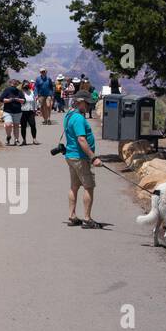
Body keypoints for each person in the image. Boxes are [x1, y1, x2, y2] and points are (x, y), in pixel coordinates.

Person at [63, 91, 102, 228]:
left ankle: (72, 216)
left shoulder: (69, 115)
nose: (88, 106)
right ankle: (87, 219)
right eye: (86, 103)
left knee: (74, 186)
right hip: (81, 158)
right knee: (88, 186)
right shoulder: (79, 119)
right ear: (80, 102)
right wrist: (93, 157)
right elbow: (81, 139)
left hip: (71, 156)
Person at [0, 79, 24, 145]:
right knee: (8, 124)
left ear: (16, 84)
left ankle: (16, 140)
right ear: (10, 84)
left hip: (17, 111)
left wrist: (18, 99)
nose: (13, 85)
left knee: (16, 126)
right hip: (8, 111)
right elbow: (1, 99)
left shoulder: (19, 91)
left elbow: (24, 100)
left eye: (15, 83)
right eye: (12, 83)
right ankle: (8, 136)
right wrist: (9, 100)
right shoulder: (7, 90)